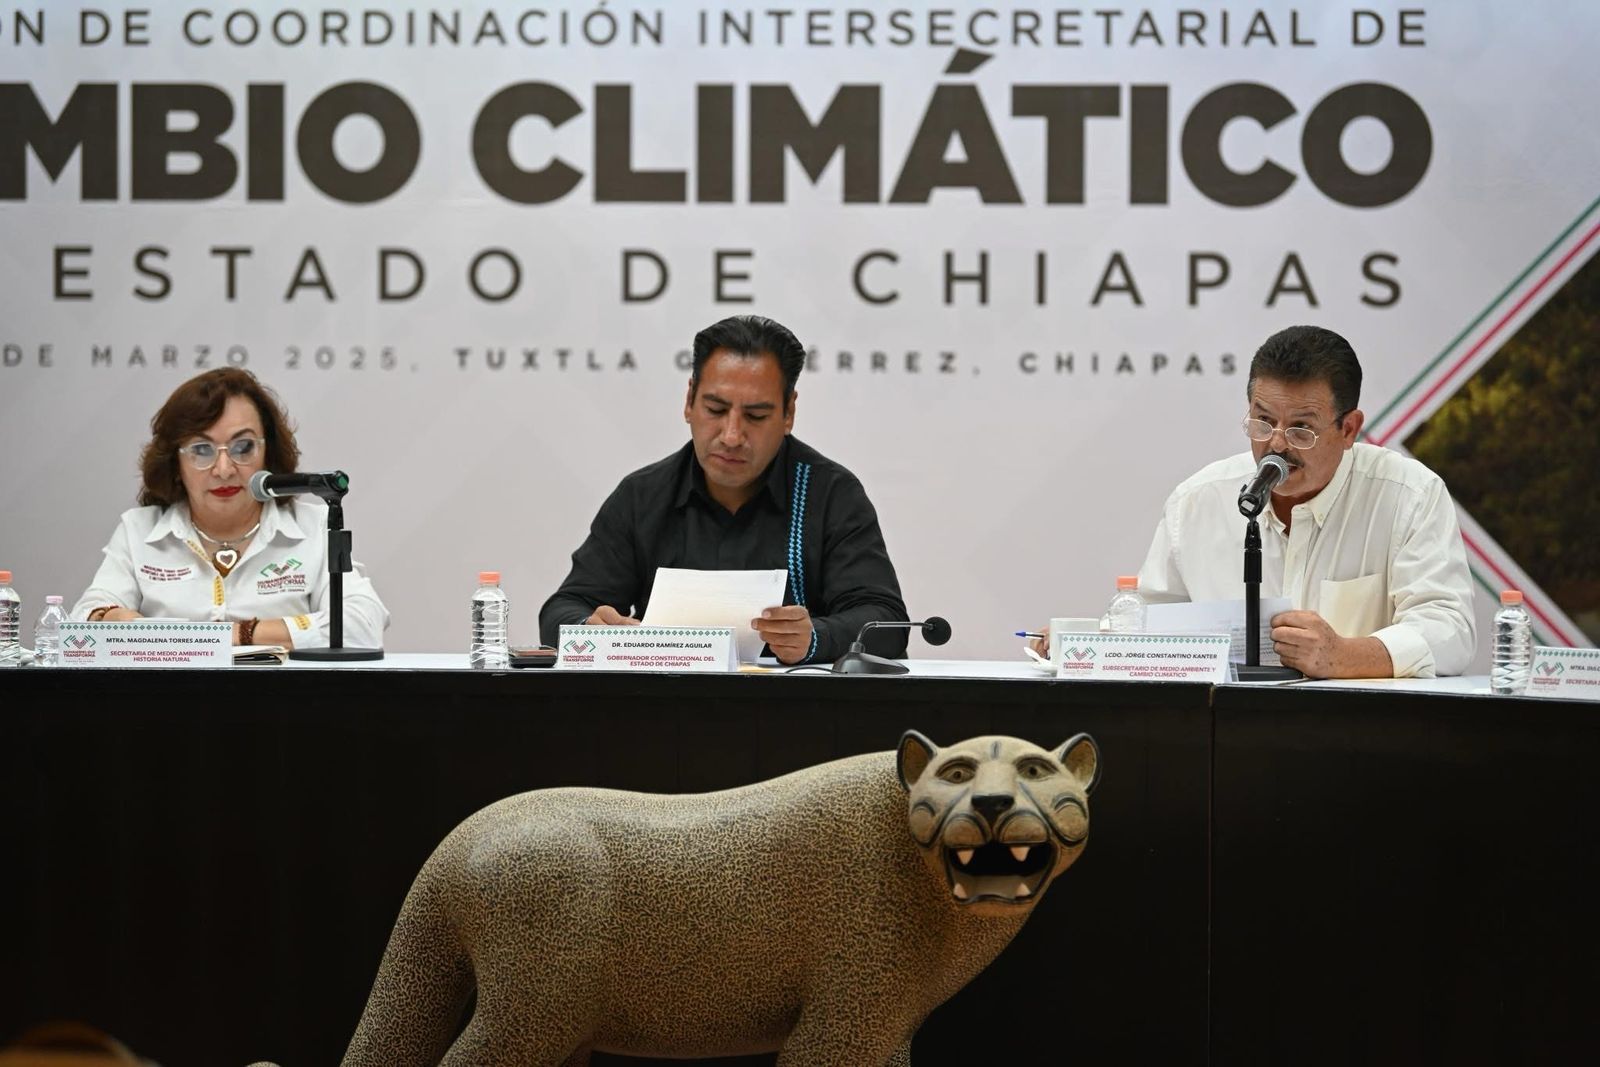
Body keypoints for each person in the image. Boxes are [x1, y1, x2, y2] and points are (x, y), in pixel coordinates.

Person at [539, 314, 908, 664]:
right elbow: (562, 610)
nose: (731, 436)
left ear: (788, 413)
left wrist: (815, 639)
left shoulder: (832, 494)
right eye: (715, 409)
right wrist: (593, 630)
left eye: (756, 416)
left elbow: (887, 622)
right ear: (689, 402)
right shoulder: (642, 496)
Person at [1132, 324, 1476, 678]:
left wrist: (1344, 656)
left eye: (1301, 429)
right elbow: (1142, 629)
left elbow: (1450, 632)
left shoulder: (1409, 495)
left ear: (1349, 430)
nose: (1277, 445)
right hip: (1227, 724)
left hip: (1359, 725)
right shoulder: (1197, 501)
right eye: (1263, 422)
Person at [71, 368, 389, 649]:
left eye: (243, 447)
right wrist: (110, 617)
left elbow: (363, 622)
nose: (224, 469)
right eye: (201, 449)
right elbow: (82, 620)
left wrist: (243, 634)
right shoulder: (138, 530)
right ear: (175, 462)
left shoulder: (313, 526)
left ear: (269, 452)